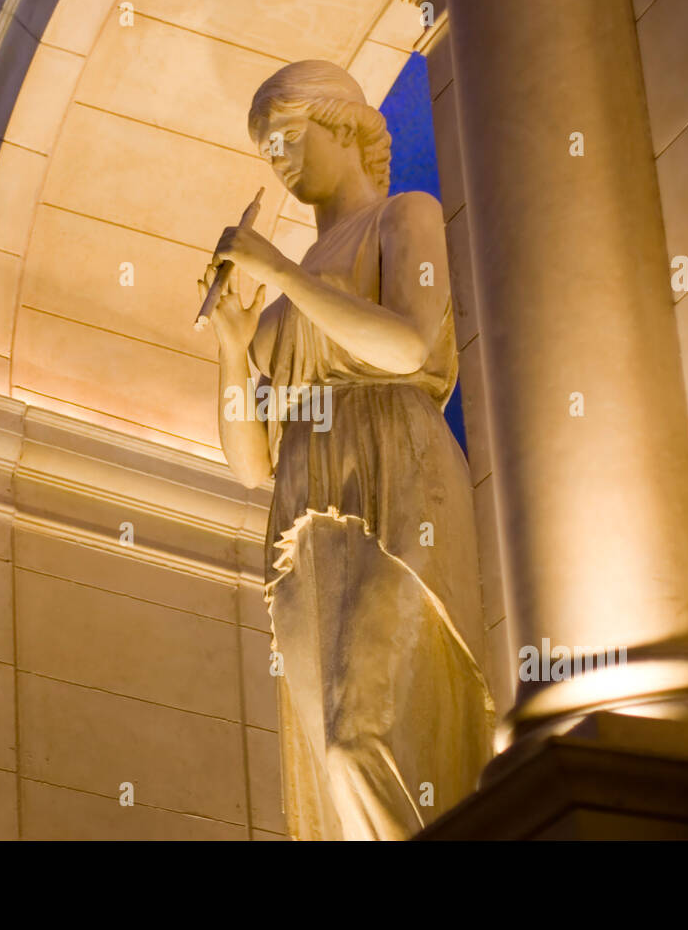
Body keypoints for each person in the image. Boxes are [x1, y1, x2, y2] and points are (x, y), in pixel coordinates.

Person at [201, 60, 494, 839]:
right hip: (303, 518)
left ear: (343, 127)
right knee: (324, 750)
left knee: (357, 738)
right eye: (268, 151)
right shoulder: (279, 307)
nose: (280, 161)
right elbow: (251, 464)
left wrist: (279, 270)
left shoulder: (406, 217)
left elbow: (404, 345)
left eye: (289, 138)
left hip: (395, 474)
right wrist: (234, 346)